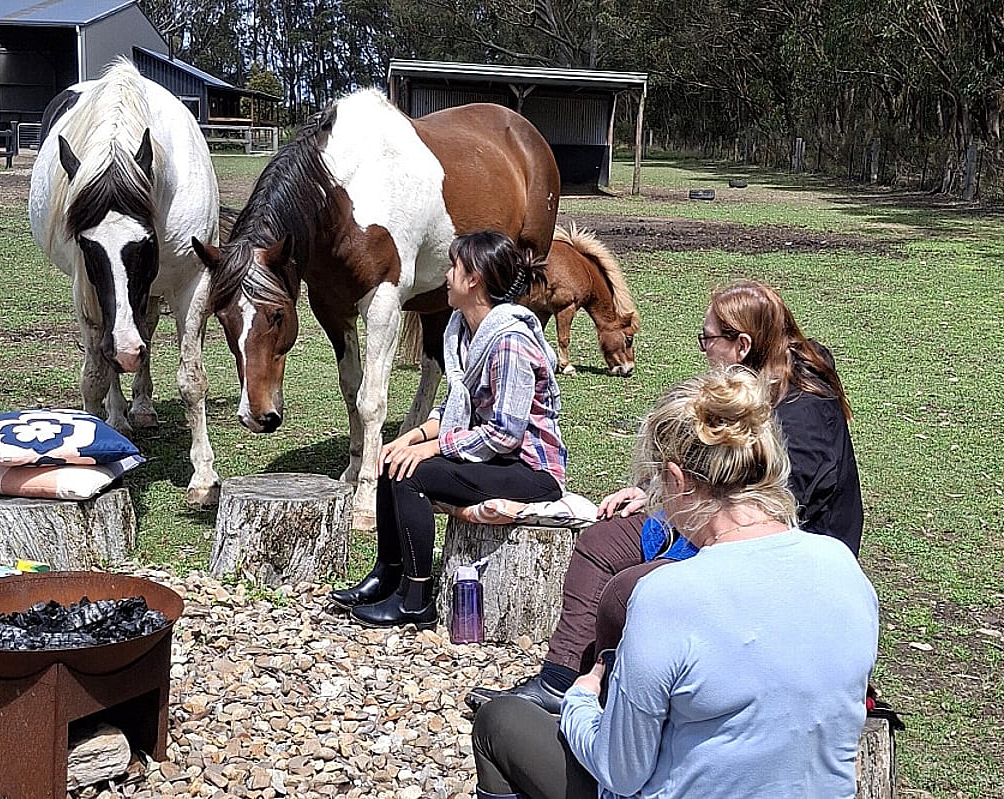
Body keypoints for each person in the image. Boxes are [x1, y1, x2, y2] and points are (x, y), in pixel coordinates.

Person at [471, 366, 879, 799]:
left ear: (679, 481)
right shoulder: (844, 568)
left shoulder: (667, 596)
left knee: (499, 722)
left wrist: (580, 700)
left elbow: (621, 771)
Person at [468, 278, 864, 713]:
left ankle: (624, 700)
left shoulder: (804, 413)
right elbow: (709, 457)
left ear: (743, 345)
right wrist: (655, 491)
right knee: (601, 543)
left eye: (708, 339)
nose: (703, 350)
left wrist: (677, 516)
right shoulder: (754, 386)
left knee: (629, 589)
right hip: (711, 513)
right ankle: (561, 682)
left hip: (774, 552)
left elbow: (770, 508)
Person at [328, 230, 568, 629]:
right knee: (393, 460)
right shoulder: (463, 328)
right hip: (495, 459)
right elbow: (458, 402)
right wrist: (414, 437)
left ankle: (417, 597)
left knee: (413, 477)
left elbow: (504, 433)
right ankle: (387, 576)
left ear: (474, 279)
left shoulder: (509, 342)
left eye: (454, 266)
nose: (447, 274)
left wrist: (434, 450)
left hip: (530, 470)